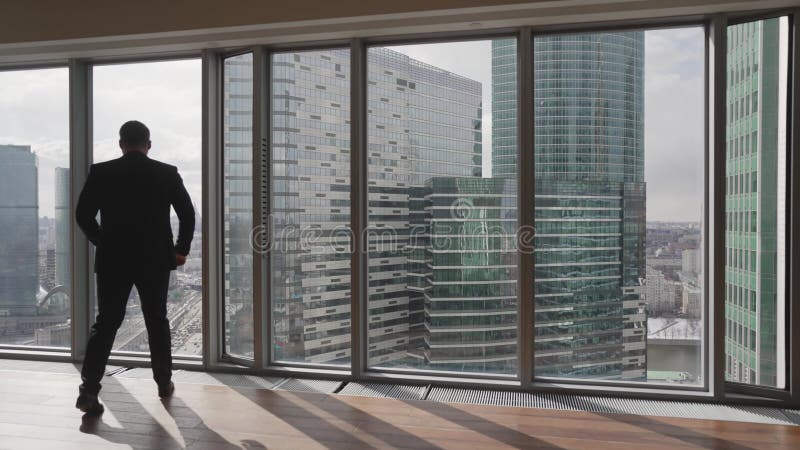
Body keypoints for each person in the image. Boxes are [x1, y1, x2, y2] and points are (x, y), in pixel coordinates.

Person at [74, 120, 195, 414]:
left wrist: (101, 240)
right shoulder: (166, 173)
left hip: (113, 258)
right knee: (157, 320)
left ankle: (89, 391)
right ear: (148, 144)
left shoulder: (101, 172)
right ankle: (164, 383)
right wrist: (180, 250)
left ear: (120, 144)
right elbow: (187, 214)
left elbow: (83, 215)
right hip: (154, 258)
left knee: (106, 323)